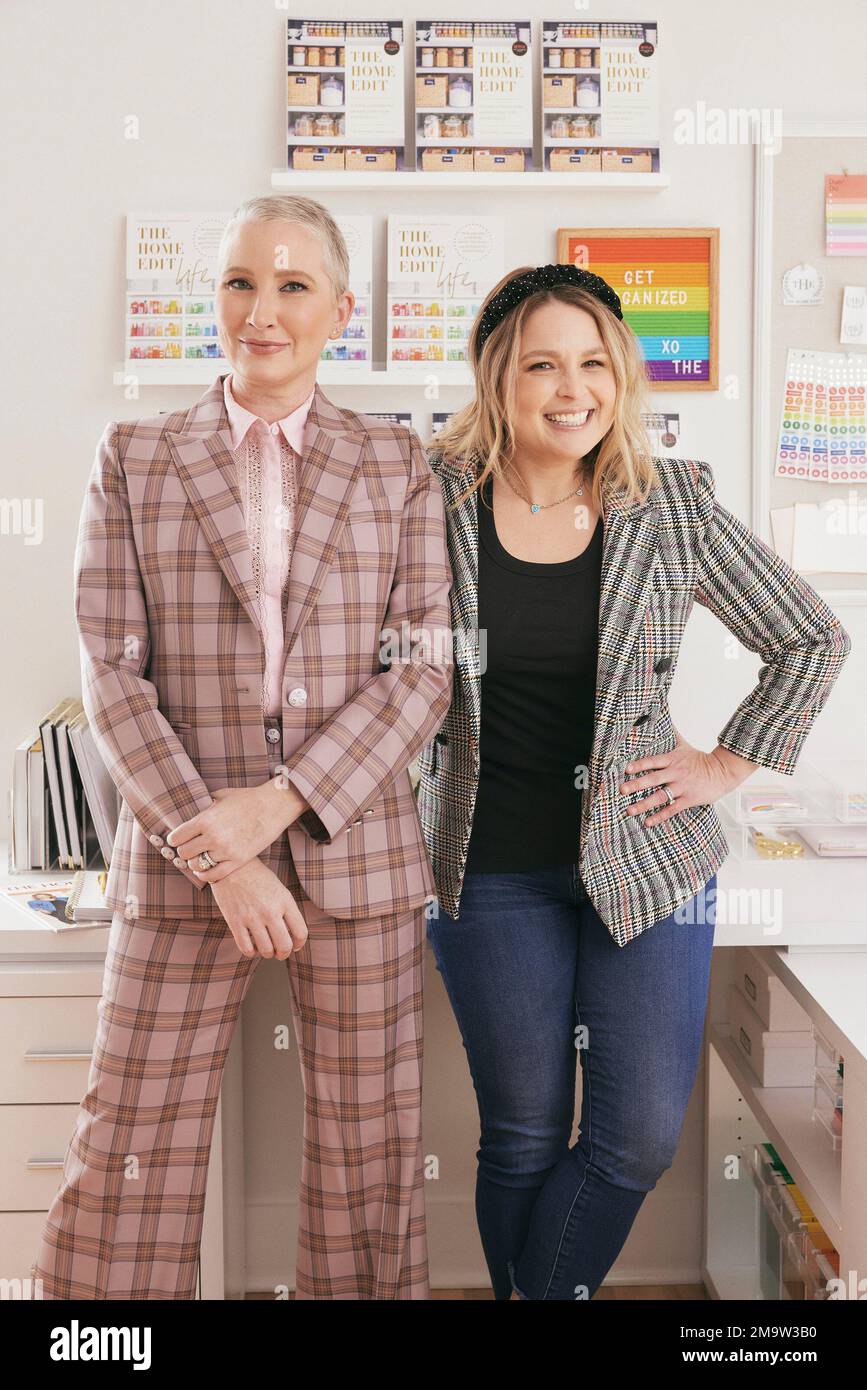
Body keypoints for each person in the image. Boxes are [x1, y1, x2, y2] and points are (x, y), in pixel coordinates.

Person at [32, 194, 453, 1300]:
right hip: (181, 865)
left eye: (292, 284)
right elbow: (110, 670)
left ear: (341, 312)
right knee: (127, 1150)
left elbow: (425, 671)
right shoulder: (135, 455)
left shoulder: (399, 465)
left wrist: (277, 807)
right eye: (240, 282)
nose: (261, 310)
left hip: (355, 860)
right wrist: (217, 852)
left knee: (372, 1166)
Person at [416, 262, 852, 1301]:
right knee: (520, 1132)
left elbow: (810, 637)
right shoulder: (425, 500)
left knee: (640, 1137)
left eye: (595, 363)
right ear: (495, 376)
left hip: (651, 862)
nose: (573, 388)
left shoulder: (671, 504)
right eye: (542, 365)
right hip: (490, 868)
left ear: (621, 376)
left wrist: (723, 764)